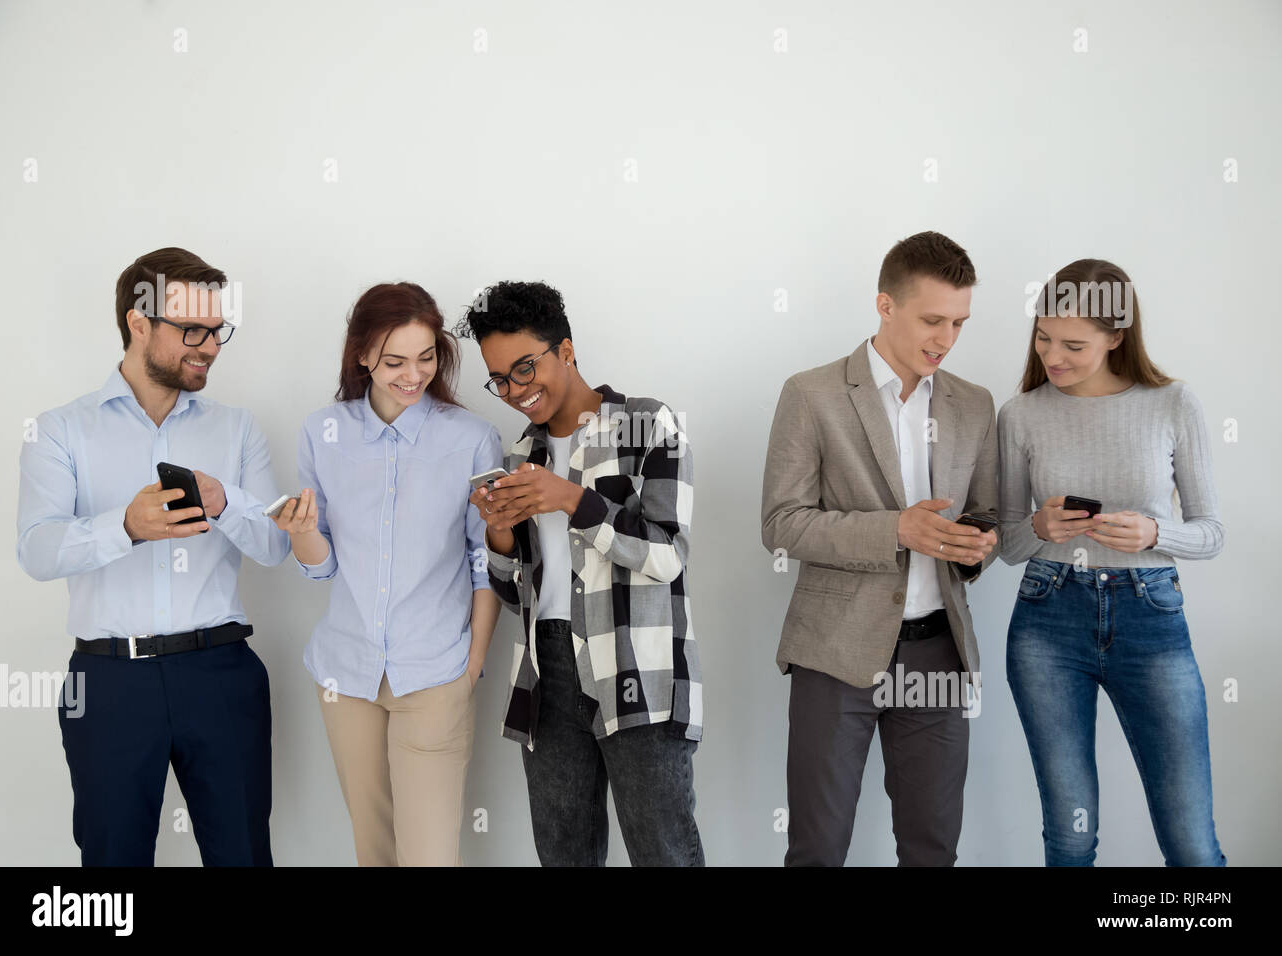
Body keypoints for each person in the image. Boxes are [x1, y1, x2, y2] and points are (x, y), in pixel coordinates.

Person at [16, 247, 289, 865]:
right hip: (110, 682)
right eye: (192, 329)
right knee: (113, 866)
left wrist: (226, 504)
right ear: (138, 323)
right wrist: (125, 526)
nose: (211, 346)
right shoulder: (61, 431)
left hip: (221, 672)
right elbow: (35, 549)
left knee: (243, 855)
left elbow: (276, 546)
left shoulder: (237, 428)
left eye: (218, 331)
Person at [761, 231, 999, 866]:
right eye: (932, 319)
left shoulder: (974, 404)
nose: (946, 338)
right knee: (818, 849)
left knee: (932, 850)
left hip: (939, 652)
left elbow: (989, 515)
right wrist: (897, 529)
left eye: (959, 322)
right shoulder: (811, 394)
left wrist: (979, 543)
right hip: (834, 650)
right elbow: (782, 523)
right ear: (885, 305)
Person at [457, 280, 704, 866]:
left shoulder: (649, 423)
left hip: (638, 666)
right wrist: (497, 530)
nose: (514, 391)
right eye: (499, 379)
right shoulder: (521, 455)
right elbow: (514, 592)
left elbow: (667, 554)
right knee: (564, 853)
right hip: (548, 671)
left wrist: (572, 500)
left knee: (663, 849)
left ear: (565, 351)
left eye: (524, 368)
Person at [998, 258, 1226, 866]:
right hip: (1048, 618)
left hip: (1150, 615)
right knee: (1070, 837)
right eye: (1044, 338)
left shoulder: (1173, 403)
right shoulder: (1020, 415)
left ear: (1117, 336)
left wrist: (1157, 531)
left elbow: (1212, 532)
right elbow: (1006, 544)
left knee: (1191, 845)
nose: (1053, 356)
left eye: (1074, 344)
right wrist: (1038, 526)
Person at [276, 282, 501, 866]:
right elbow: (321, 569)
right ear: (362, 356)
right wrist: (302, 536)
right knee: (374, 852)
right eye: (395, 360)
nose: (412, 374)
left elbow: (489, 560)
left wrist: (472, 664)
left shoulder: (473, 439)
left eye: (426, 357)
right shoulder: (322, 433)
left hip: (435, 675)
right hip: (344, 677)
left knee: (428, 857)